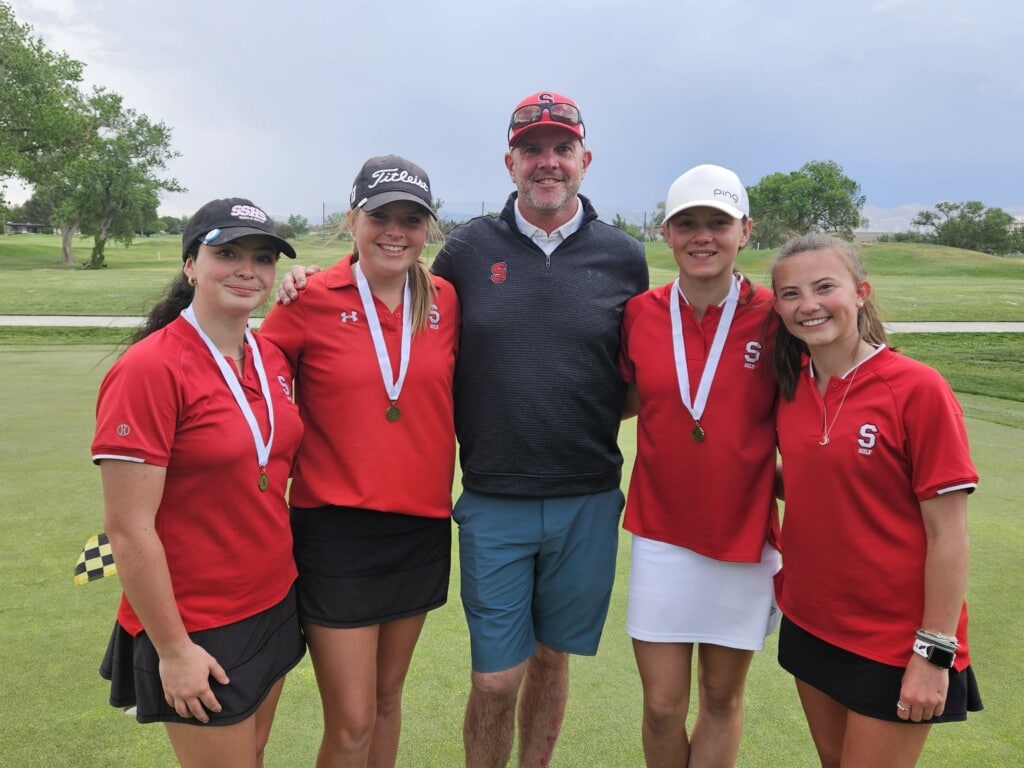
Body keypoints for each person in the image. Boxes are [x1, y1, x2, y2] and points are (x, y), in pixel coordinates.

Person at [431, 90, 649, 767]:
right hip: (495, 497)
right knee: (495, 678)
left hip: (588, 497)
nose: (547, 162)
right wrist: (308, 285)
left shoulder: (623, 257)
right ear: (510, 162)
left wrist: (565, 407)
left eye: (561, 148)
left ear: (585, 159)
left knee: (553, 659)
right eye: (532, 150)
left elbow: (635, 376)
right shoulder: (466, 251)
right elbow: (409, 325)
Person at [258, 155, 459, 768]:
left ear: (428, 228)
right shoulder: (308, 297)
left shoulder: (446, 299)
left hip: (420, 526)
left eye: (411, 219)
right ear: (352, 219)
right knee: (351, 721)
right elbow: (248, 384)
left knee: (388, 699)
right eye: (380, 216)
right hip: (335, 530)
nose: (395, 231)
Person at [92, 198, 305, 768]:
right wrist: (173, 649)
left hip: (274, 600)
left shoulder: (270, 359)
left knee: (254, 753)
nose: (246, 269)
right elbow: (128, 528)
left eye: (262, 258)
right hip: (196, 625)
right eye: (226, 252)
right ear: (190, 264)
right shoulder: (149, 369)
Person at [770, 233, 983, 767]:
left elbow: (949, 533)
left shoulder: (917, 389)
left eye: (824, 287)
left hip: (895, 641)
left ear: (861, 291)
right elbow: (814, 483)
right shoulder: (791, 386)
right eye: (790, 294)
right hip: (810, 619)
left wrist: (934, 654)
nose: (808, 305)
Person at [618, 164, 781, 767]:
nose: (702, 236)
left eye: (718, 222)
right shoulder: (639, 313)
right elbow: (627, 400)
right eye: (687, 223)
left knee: (720, 697)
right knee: (662, 704)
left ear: (744, 230)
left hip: (744, 536)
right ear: (666, 233)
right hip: (661, 532)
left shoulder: (777, 315)